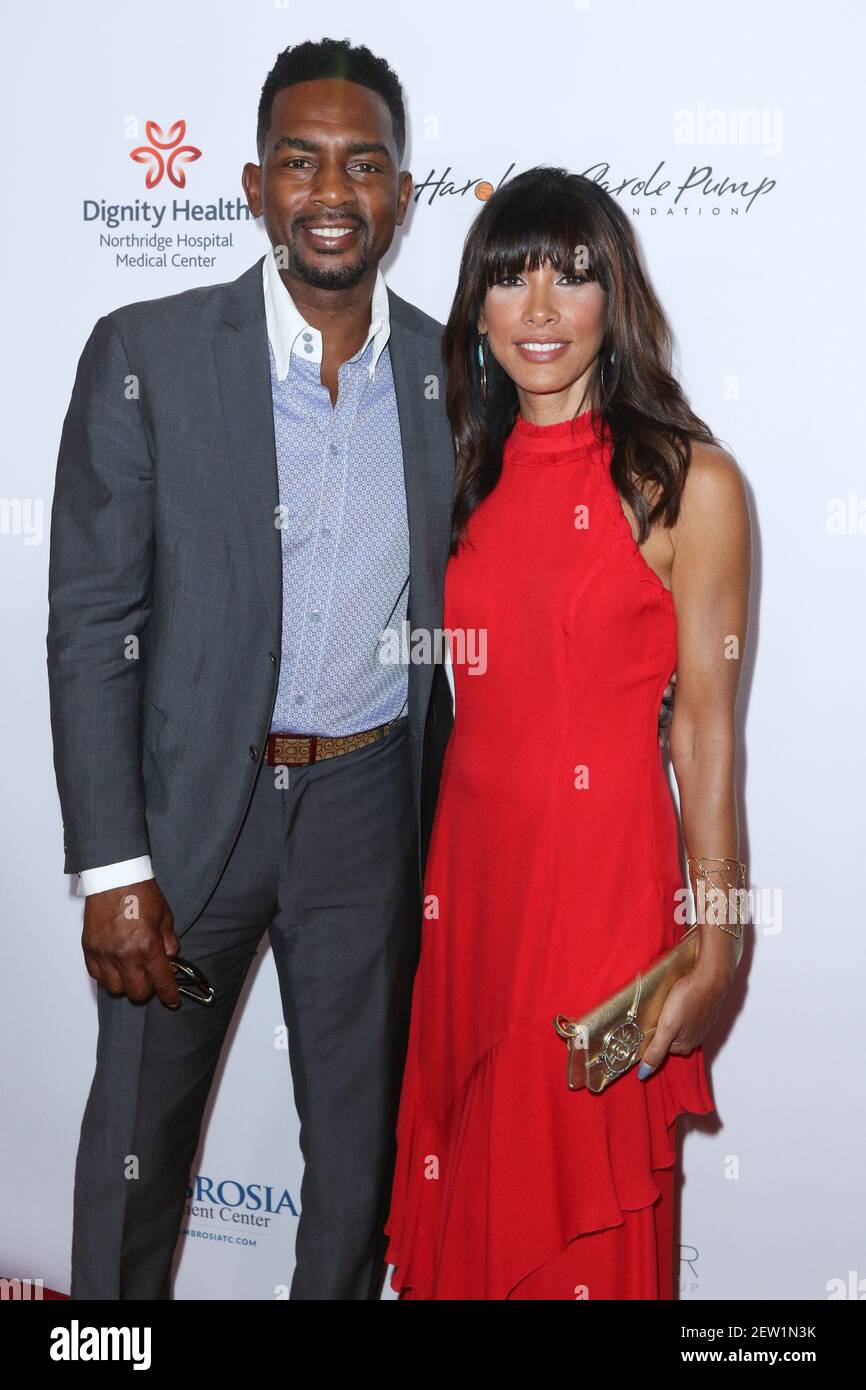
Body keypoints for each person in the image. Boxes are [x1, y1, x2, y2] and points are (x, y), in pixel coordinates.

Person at [46, 37, 457, 1301]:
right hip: (187, 835)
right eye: (299, 160)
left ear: (399, 193)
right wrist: (114, 866)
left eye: (362, 163)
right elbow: (89, 622)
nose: (330, 189)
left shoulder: (455, 374)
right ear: (251, 185)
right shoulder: (150, 353)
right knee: (137, 1149)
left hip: (367, 817)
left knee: (353, 1160)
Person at [384, 166, 751, 1300]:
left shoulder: (685, 484)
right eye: (509, 278)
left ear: (614, 298)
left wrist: (719, 935)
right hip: (468, 896)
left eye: (570, 275)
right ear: (476, 310)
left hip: (597, 893)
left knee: (569, 1226)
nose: (539, 308)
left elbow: (705, 736)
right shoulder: (454, 473)